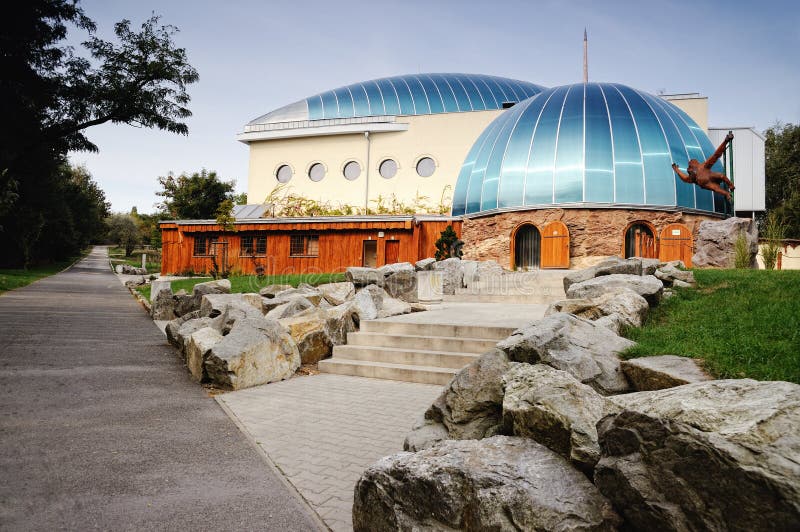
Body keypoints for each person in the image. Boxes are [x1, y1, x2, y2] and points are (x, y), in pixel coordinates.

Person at [671, 131, 736, 200]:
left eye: (690, 164)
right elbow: (684, 178)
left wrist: (726, 141)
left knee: (721, 176)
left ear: (695, 164)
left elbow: (716, 155)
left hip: (710, 176)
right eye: (689, 165)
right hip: (706, 184)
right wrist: (677, 170)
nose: (689, 166)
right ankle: (726, 194)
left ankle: (730, 185)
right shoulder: (692, 177)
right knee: (716, 188)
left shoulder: (703, 166)